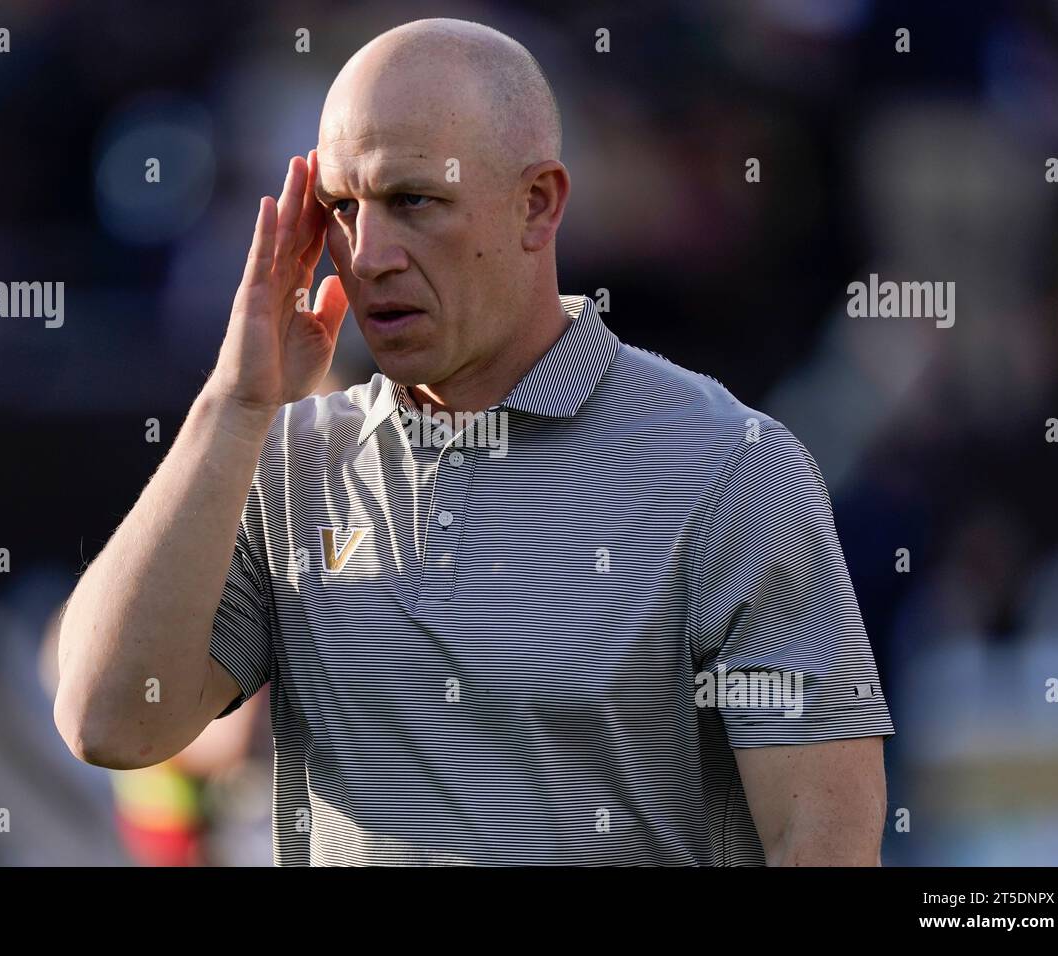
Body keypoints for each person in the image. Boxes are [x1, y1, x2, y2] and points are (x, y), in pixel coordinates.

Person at [55, 17, 894, 865]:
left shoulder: (733, 465)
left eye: (413, 201)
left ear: (538, 204)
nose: (370, 252)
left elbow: (823, 840)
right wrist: (234, 405)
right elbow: (108, 722)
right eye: (343, 209)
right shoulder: (284, 464)